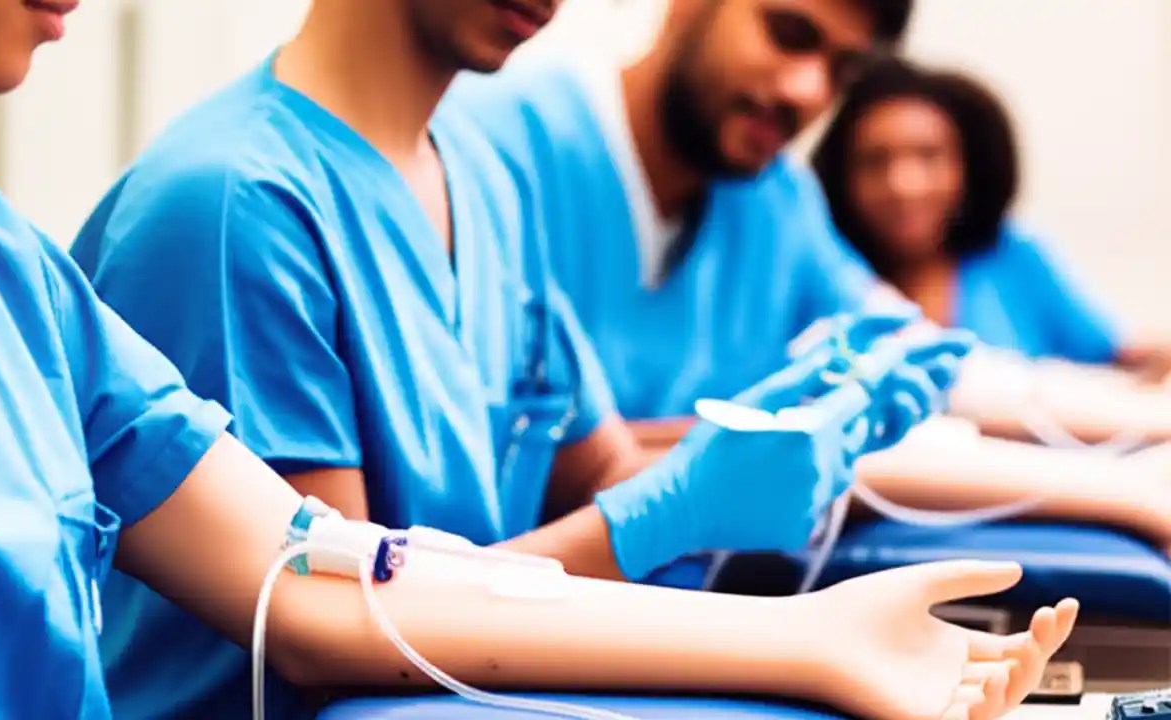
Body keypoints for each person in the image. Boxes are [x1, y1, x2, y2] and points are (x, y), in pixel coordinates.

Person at [0, 1, 1073, 719]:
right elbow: (308, 630)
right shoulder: (234, 201)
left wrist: (807, 623)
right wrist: (688, 531)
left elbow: (319, 567)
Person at [446, 0, 1171, 560]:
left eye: (842, 71)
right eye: (788, 33)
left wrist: (1151, 432)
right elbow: (527, 466)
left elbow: (934, 363)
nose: (806, 90)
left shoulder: (773, 200)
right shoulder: (490, 146)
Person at [811, 57, 1132, 365]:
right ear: (841, 175)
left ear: (969, 166)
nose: (903, 186)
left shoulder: (1013, 255)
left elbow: (1119, 354)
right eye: (874, 161)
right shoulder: (827, 269)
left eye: (929, 156)